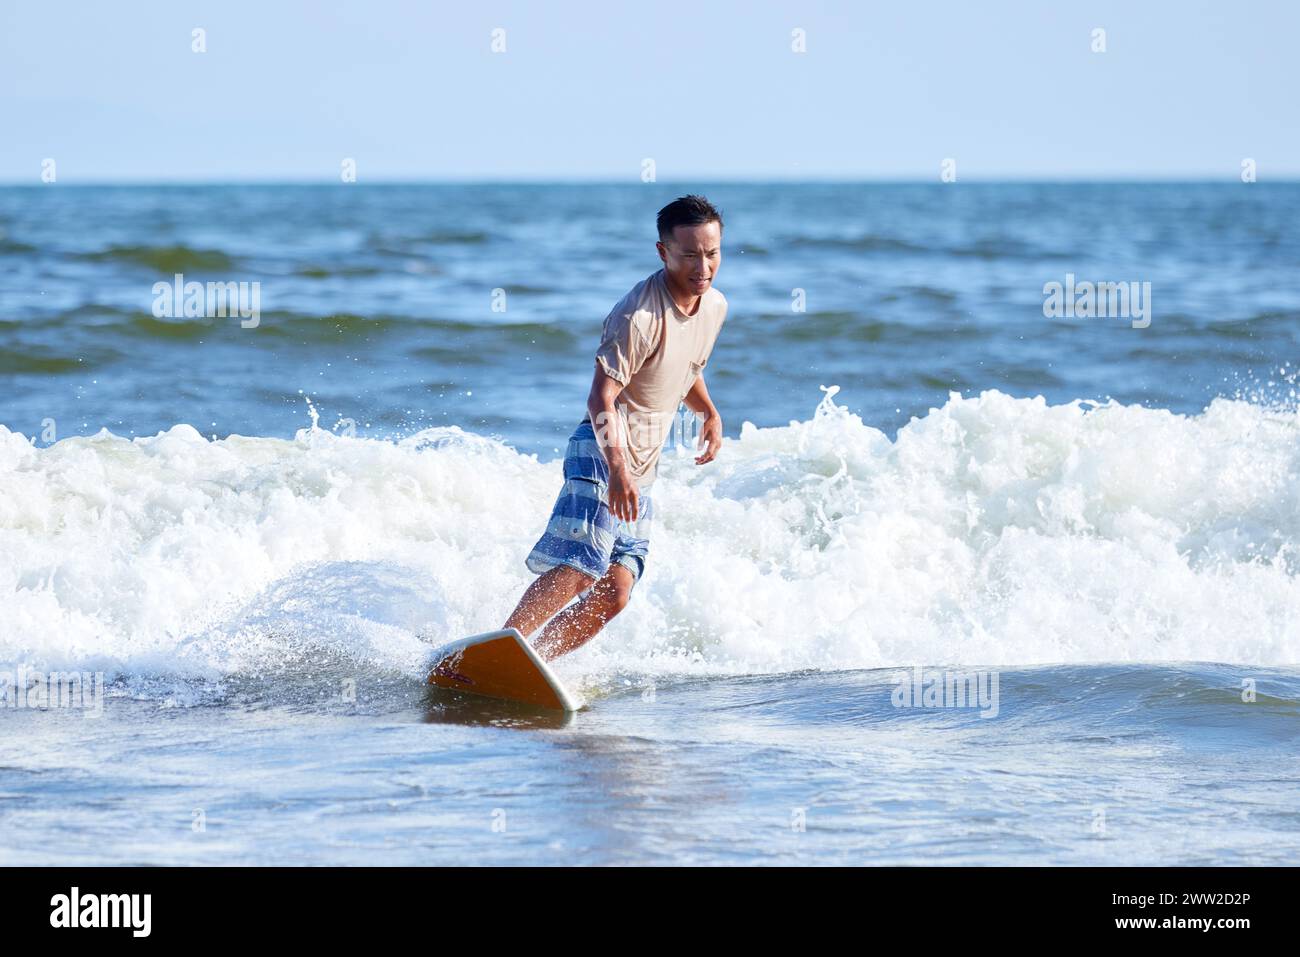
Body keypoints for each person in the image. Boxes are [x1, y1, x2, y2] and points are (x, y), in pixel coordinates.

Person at [503, 195, 729, 660]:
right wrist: (618, 470)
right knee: (581, 566)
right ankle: (499, 650)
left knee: (616, 589)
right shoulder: (639, 315)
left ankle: (534, 663)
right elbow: (600, 396)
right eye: (689, 254)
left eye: (711, 252)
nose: (702, 266)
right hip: (605, 453)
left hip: (640, 470)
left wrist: (708, 410)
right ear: (663, 252)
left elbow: (685, 367)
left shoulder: (714, 307)